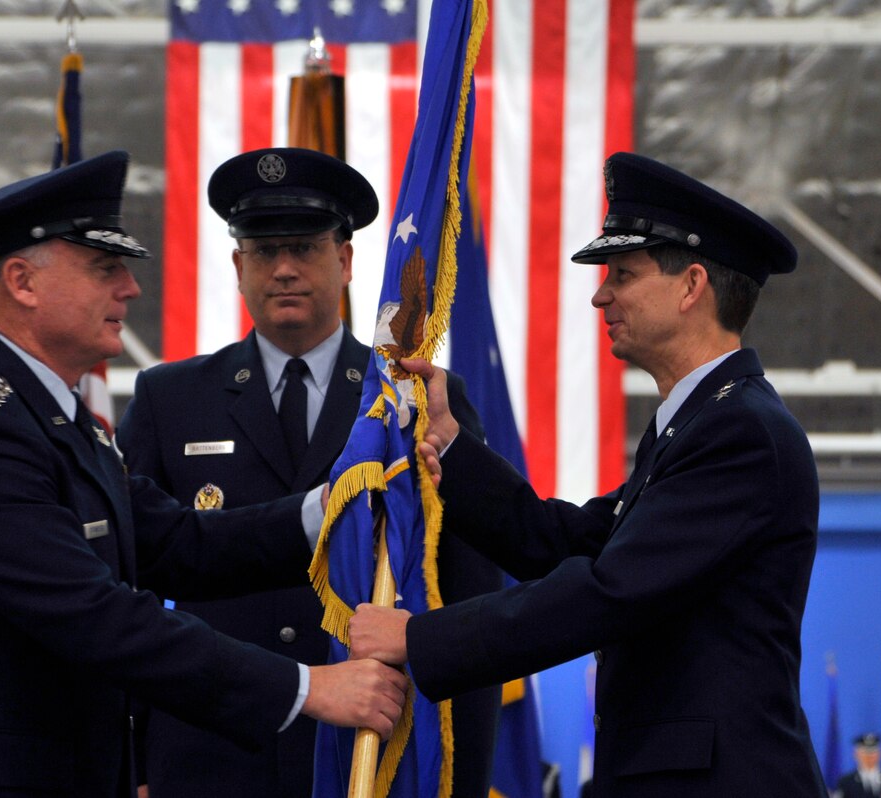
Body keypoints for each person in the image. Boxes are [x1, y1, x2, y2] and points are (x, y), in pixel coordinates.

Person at [0, 150, 407, 798]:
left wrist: (341, 502)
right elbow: (100, 617)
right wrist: (310, 686)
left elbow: (178, 544)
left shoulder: (55, 420)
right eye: (104, 268)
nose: (131, 288)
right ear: (23, 282)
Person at [349, 152, 829, 796]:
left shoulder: (740, 433)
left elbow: (610, 590)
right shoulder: (694, 426)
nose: (601, 293)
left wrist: (421, 637)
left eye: (623, 274)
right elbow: (567, 543)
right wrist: (452, 449)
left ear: (691, 287)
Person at [115, 146, 502, 797]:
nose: (285, 269)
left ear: (346, 260)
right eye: (264, 252)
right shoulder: (168, 399)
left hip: (369, 754)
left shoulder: (410, 401)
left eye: (305, 248)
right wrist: (131, 760)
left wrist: (462, 778)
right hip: (208, 756)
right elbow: (126, 591)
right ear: (238, 267)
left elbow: (469, 601)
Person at [836, 733, 881, 798]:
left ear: (880, 754)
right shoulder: (846, 782)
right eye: (865, 752)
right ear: (856, 754)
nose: (869, 756)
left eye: (873, 752)